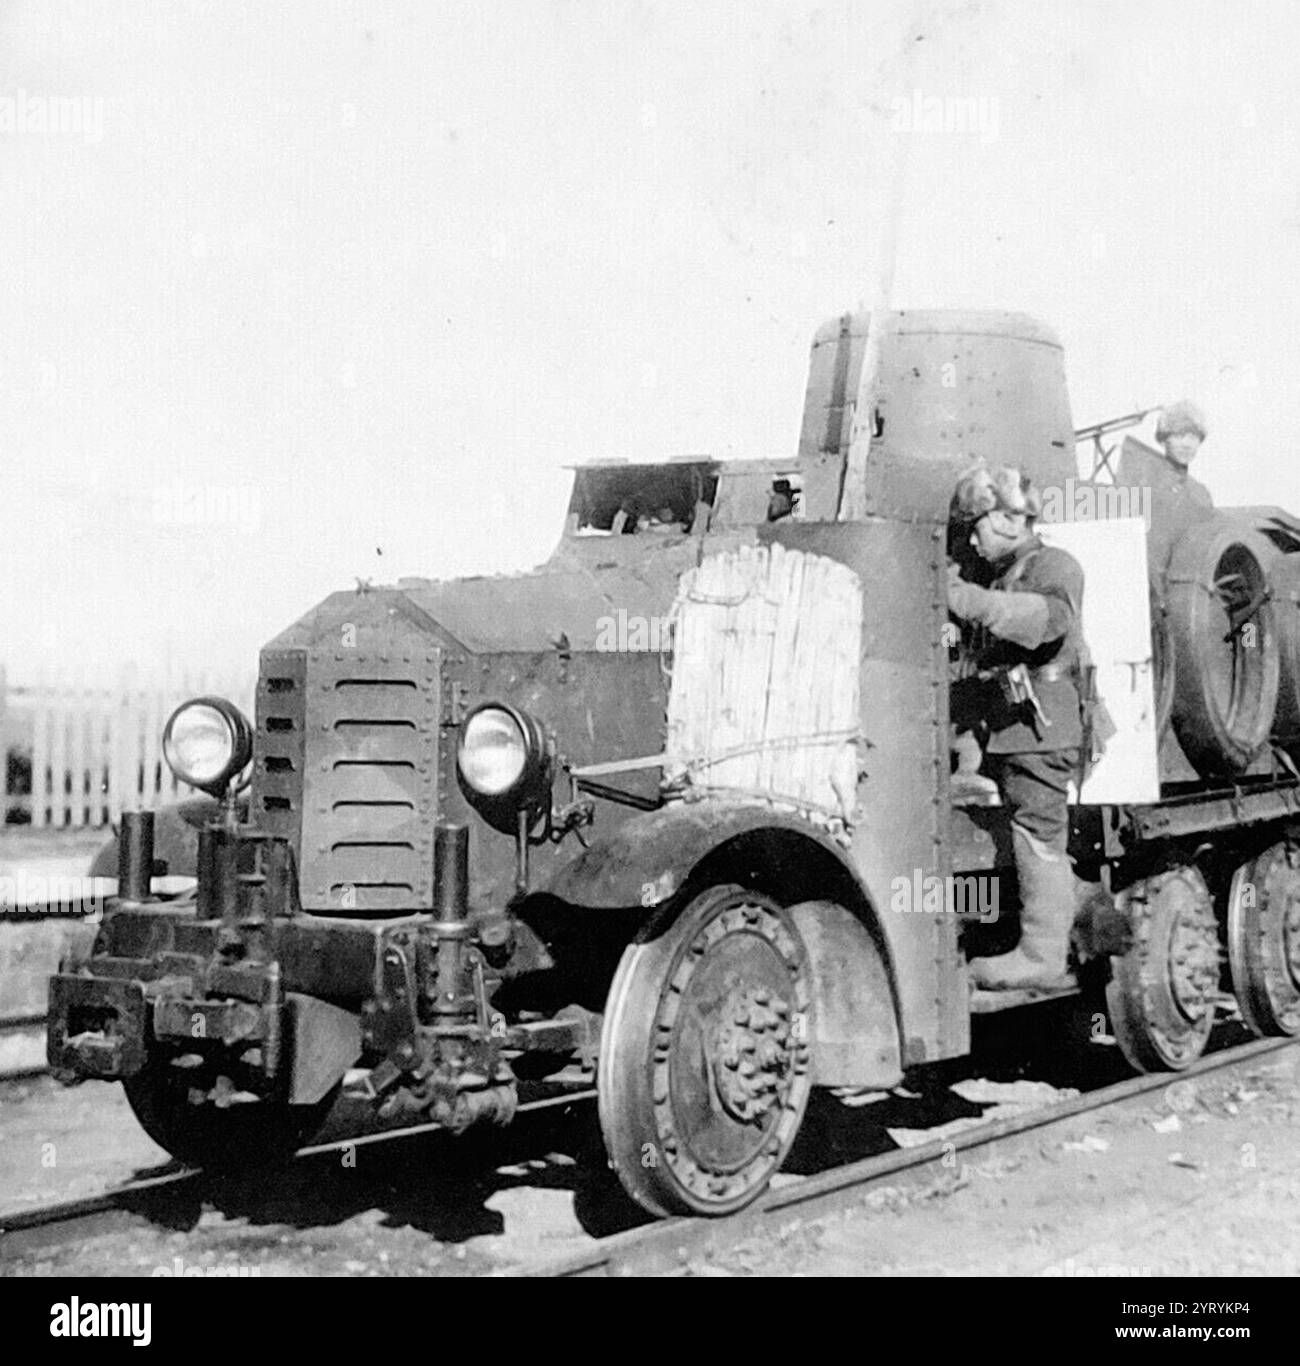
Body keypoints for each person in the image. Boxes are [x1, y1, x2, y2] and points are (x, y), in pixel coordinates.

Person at [947, 462, 1085, 991]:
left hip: (1041, 728)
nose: (975, 542)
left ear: (1006, 521)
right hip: (1013, 726)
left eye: (976, 528)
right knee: (1028, 829)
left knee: (1039, 830)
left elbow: (1044, 622)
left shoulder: (1055, 565)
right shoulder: (1003, 572)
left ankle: (1042, 956)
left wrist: (963, 597)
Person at [1154, 399, 1212, 509]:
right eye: (1179, 436)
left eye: (1193, 437)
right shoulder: (1146, 484)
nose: (1187, 444)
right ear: (1163, 441)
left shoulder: (1201, 493)